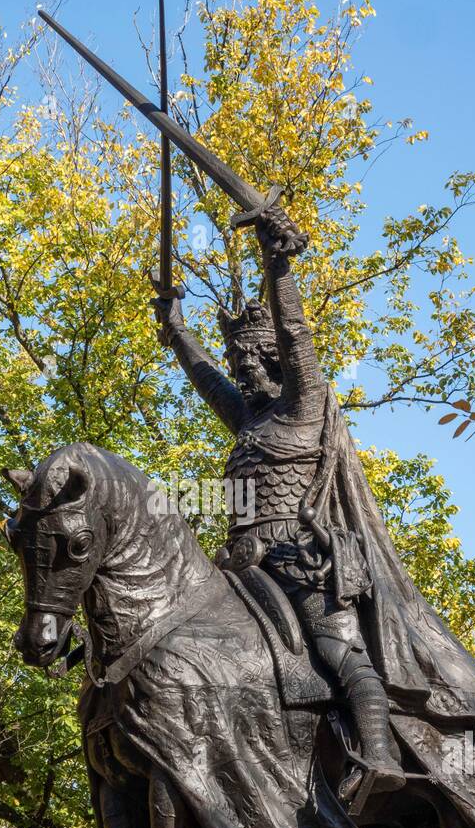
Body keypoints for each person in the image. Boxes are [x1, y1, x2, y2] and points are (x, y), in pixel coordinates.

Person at [152, 206, 404, 798]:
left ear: (271, 361)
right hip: (242, 563)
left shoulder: (303, 405)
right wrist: (175, 323)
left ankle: (380, 755)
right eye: (236, 364)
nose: (240, 373)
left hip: (303, 561)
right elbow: (201, 374)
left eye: (249, 362)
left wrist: (278, 263)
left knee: (335, 650)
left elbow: (296, 337)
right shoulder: (249, 421)